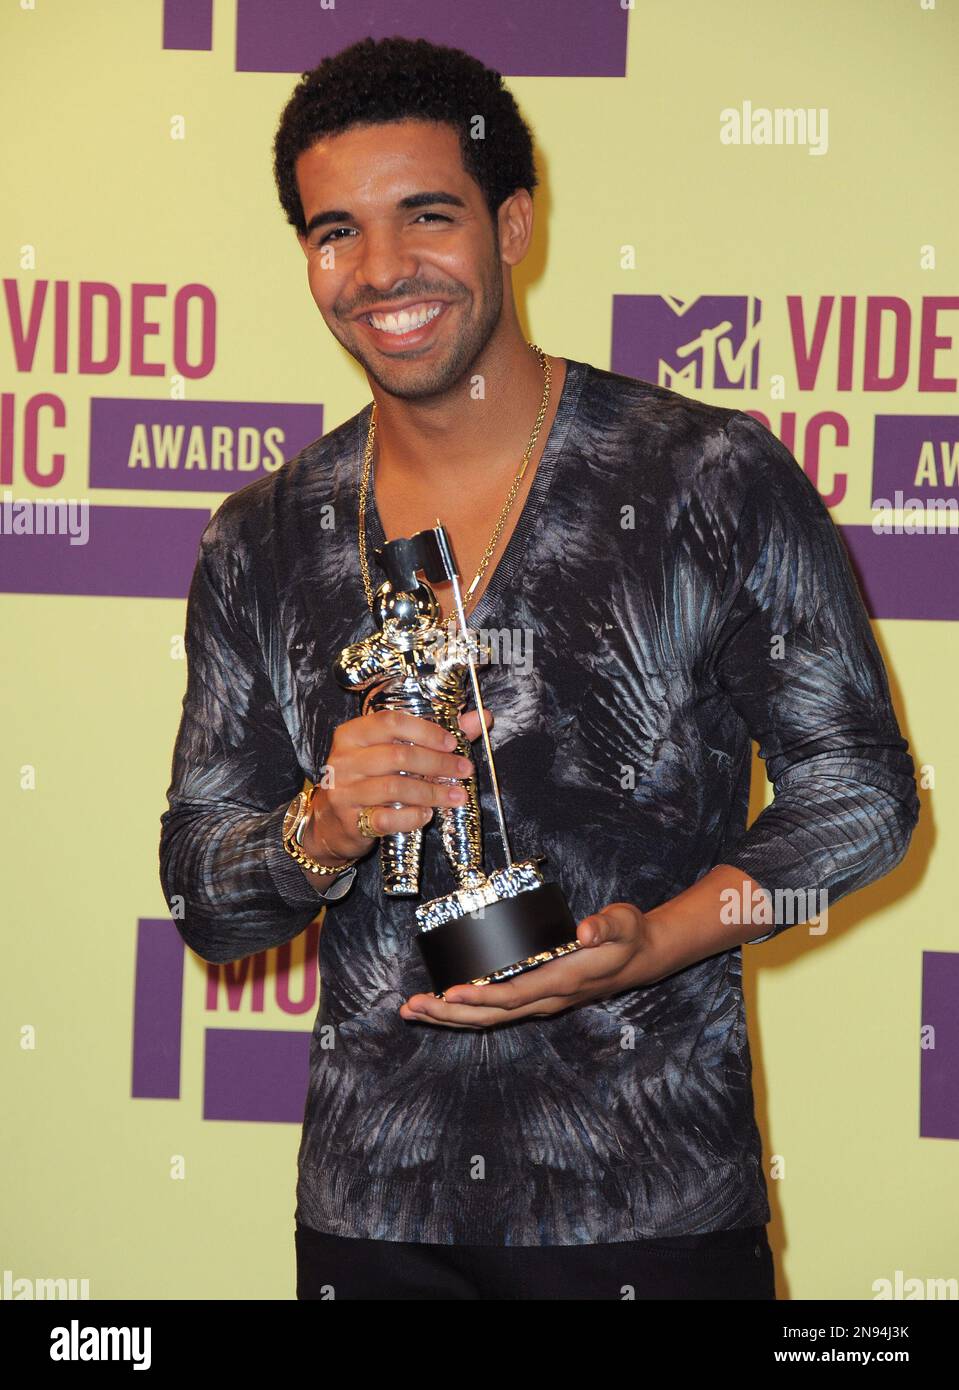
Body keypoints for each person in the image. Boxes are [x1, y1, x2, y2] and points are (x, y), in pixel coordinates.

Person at [159, 36, 920, 1301]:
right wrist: (322, 827)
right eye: (334, 231)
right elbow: (206, 900)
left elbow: (864, 800)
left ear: (512, 225)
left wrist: (660, 938)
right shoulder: (262, 535)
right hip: (370, 1211)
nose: (382, 271)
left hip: (647, 1196)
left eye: (427, 216)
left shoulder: (704, 477)